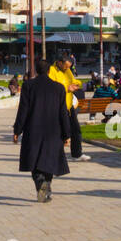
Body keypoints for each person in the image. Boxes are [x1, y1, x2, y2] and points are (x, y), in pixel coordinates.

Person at [12, 61, 70, 202]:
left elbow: (23, 110)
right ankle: (46, 185)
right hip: (53, 131)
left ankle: (40, 183)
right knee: (48, 160)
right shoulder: (59, 88)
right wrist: (66, 134)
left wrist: (17, 130)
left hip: (33, 130)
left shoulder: (28, 86)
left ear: (36, 71)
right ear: (49, 71)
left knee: (34, 160)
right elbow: (63, 113)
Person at [48, 55, 84, 160]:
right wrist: (66, 88)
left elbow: (74, 81)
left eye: (69, 67)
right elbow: (51, 86)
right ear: (59, 62)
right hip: (57, 106)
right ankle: (56, 154)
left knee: (76, 129)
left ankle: (77, 153)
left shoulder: (67, 71)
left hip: (68, 105)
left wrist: (76, 85)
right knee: (59, 131)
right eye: (65, 66)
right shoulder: (51, 70)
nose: (67, 69)